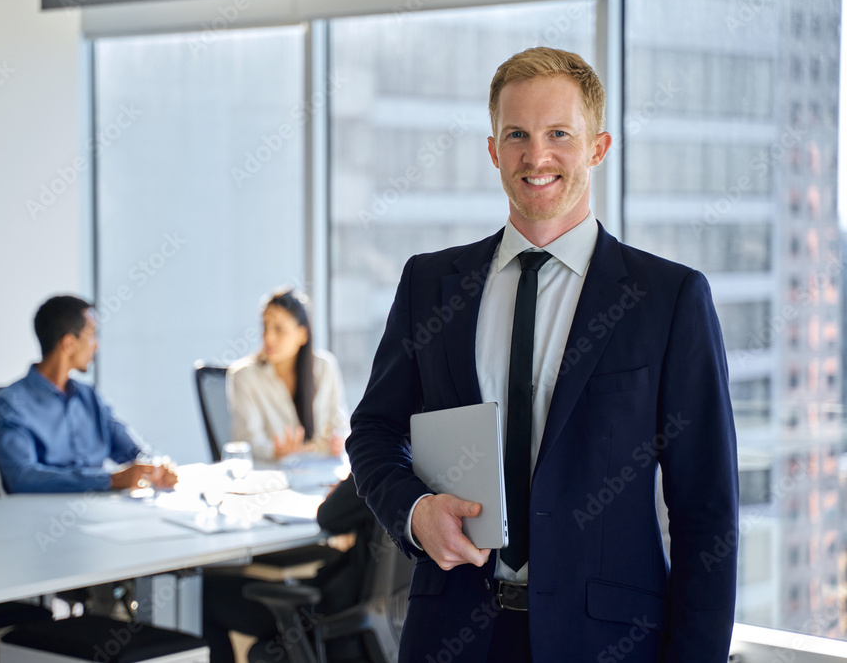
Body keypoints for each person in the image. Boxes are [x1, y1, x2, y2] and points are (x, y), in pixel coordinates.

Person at [345, 47, 738, 663]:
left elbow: (707, 511)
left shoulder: (668, 300)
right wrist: (415, 512)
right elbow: (373, 431)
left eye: (559, 134)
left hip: (607, 641)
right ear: (494, 150)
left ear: (598, 148)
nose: (537, 156)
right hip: (451, 634)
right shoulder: (430, 285)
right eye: (517, 135)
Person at [0, 295, 177, 494]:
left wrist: (154, 467)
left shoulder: (89, 396)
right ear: (69, 343)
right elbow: (22, 478)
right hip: (45, 517)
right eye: (92, 335)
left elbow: (130, 450)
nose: (96, 345)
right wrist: (108, 480)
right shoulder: (11, 404)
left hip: (101, 511)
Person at [202, 474, 377, 663]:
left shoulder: (378, 462)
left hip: (330, 612)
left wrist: (341, 491)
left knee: (205, 594)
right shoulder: (411, 461)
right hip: (375, 620)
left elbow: (329, 516)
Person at [228, 288, 349, 461]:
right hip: (273, 476)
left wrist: (340, 439)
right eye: (265, 327)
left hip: (323, 473)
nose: (268, 337)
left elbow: (341, 423)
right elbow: (246, 441)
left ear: (303, 334)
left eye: (279, 329)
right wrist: (275, 452)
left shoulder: (324, 366)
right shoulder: (244, 375)